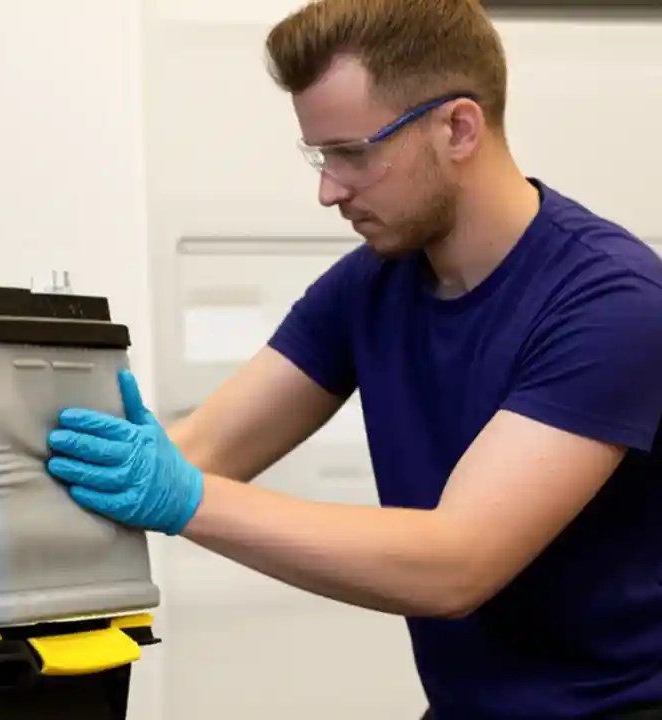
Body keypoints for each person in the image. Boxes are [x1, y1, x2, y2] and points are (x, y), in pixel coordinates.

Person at [44, 1, 662, 718]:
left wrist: (185, 497)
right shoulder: (371, 284)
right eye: (319, 154)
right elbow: (203, 449)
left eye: (353, 152)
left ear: (458, 127)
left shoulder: (613, 304)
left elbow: (455, 563)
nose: (328, 189)